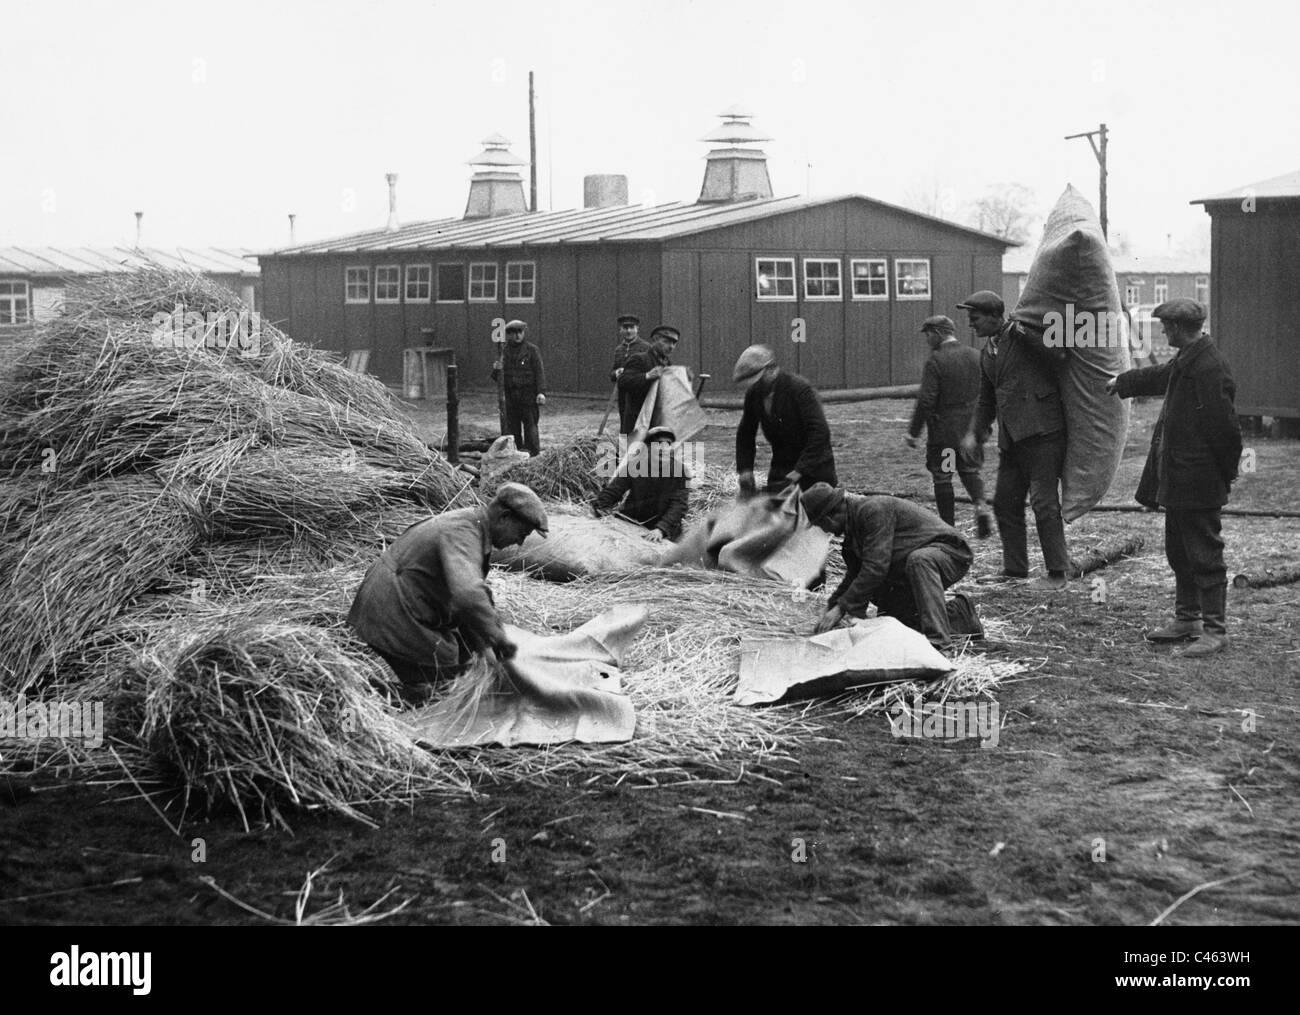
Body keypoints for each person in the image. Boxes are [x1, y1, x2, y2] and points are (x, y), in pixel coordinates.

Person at [1107, 299, 1241, 657]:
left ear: (1180, 327)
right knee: (1180, 551)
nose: (1163, 332)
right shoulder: (1189, 359)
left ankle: (1215, 631)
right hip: (1180, 480)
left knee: (1205, 554)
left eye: (1166, 326)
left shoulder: (1209, 367)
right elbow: (1161, 375)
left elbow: (1226, 431)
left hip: (1199, 481)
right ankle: (1188, 619)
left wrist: (1224, 475)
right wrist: (1123, 381)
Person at [348, 483, 549, 699]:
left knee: (464, 663)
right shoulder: (463, 533)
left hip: (398, 605)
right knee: (445, 694)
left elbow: (463, 606)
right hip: (391, 612)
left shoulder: (472, 525)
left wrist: (485, 647)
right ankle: (368, 696)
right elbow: (468, 596)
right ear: (504, 517)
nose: (519, 542)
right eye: (521, 533)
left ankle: (395, 691)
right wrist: (499, 640)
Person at [958, 290, 1071, 591]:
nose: (971, 324)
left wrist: (1023, 332)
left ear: (996, 316)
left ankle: (1057, 574)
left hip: (1043, 432)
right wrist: (975, 433)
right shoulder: (987, 352)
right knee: (1006, 503)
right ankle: (1015, 569)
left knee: (1044, 503)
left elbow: (1059, 354)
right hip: (1013, 439)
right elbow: (986, 400)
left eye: (975, 318)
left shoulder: (1023, 335)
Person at [800, 483, 974, 653]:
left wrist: (840, 609)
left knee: (919, 560)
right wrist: (832, 607)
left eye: (820, 525)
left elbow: (876, 568)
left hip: (949, 552)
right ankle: (961, 617)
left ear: (829, 518)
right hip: (909, 567)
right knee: (897, 628)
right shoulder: (852, 531)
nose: (824, 530)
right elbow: (855, 576)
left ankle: (940, 645)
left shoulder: (872, 510)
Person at [906, 315, 992, 536]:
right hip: (970, 430)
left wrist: (914, 433)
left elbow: (926, 400)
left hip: (944, 433)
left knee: (944, 475)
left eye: (928, 335)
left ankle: (948, 528)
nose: (927, 340)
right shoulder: (975, 356)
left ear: (937, 333)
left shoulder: (936, 360)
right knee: (970, 470)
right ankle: (981, 505)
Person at [733, 344, 837, 494]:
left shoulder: (799, 389)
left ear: (771, 370)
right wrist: (745, 470)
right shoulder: (754, 394)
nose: (755, 386)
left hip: (814, 472)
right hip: (781, 469)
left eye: (758, 380)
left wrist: (799, 471)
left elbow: (820, 433)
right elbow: (745, 433)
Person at [591, 426, 690, 542]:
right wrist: (603, 510)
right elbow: (613, 490)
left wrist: (661, 529)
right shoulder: (634, 466)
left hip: (663, 527)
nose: (662, 449)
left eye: (667, 444)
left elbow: (679, 505)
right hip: (632, 521)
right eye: (657, 444)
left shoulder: (680, 471)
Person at [491, 320, 546, 456]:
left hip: (528, 396)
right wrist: (497, 369)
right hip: (510, 397)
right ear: (508, 334)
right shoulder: (503, 351)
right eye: (513, 333)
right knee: (513, 428)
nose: (517, 336)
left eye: (520, 332)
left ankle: (532, 454)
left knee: (530, 427)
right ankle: (515, 453)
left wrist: (541, 392)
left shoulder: (531, 350)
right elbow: (496, 378)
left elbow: (539, 372)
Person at [617, 325, 681, 435]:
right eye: (666, 341)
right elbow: (623, 381)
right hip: (637, 421)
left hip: (657, 422)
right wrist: (647, 376)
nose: (671, 346)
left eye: (674, 343)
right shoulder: (639, 359)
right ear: (655, 340)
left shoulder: (669, 365)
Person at [610, 314, 649, 435]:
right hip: (623, 393)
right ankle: (625, 451)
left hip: (639, 393)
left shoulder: (646, 347)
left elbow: (649, 371)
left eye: (631, 327)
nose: (628, 331)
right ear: (620, 330)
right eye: (625, 328)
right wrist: (616, 373)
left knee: (640, 424)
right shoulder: (619, 350)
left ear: (637, 329)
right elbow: (612, 373)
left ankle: (642, 451)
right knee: (625, 423)